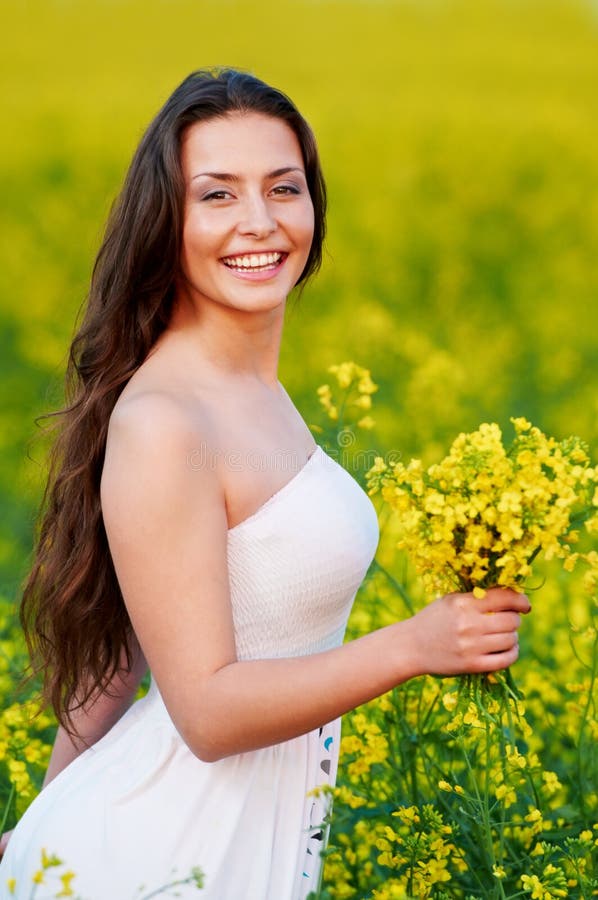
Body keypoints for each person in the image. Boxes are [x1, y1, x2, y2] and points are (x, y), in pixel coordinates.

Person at [0, 68, 531, 899]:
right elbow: (207, 715)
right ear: (165, 222)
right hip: (160, 866)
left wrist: (38, 820)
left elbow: (120, 653)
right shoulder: (167, 422)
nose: (260, 221)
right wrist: (416, 647)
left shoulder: (249, 391)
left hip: (224, 855)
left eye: (284, 187)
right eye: (217, 195)